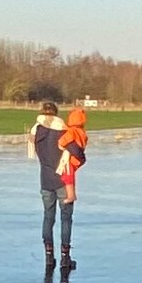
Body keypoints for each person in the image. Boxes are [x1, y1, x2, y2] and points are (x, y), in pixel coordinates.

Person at [27, 99, 67, 266]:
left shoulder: (36, 131)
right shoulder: (64, 130)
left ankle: (48, 254)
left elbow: (32, 152)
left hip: (45, 178)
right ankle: (66, 256)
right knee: (66, 218)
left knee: (48, 217)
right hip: (63, 179)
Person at [55, 105, 89, 270]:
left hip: (70, 160)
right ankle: (71, 193)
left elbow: (62, 142)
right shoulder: (82, 133)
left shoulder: (72, 132)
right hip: (76, 160)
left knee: (67, 177)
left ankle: (71, 195)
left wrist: (62, 146)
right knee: (70, 176)